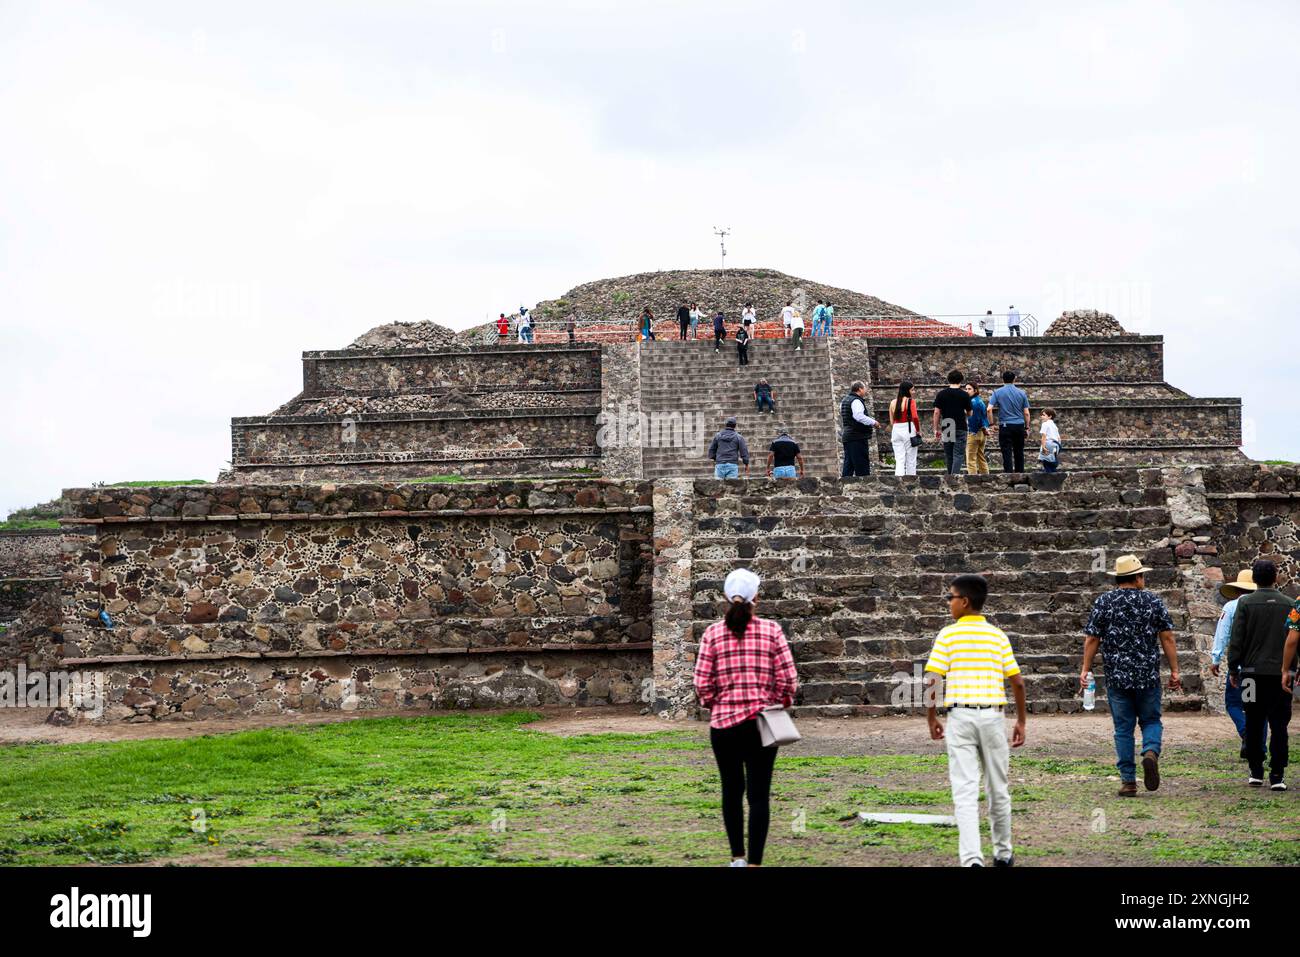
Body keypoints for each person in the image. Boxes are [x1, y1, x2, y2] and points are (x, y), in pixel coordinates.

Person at [693, 568, 798, 867]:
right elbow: (788, 679)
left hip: (724, 725)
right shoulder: (771, 630)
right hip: (761, 723)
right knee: (759, 795)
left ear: (726, 597)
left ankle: (737, 858)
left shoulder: (712, 633)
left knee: (731, 791)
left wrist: (715, 704)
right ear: (757, 598)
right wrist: (778, 702)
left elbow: (702, 682)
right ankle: (755, 863)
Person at [925, 574, 1027, 867]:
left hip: (960, 716)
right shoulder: (998, 636)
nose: (948, 603)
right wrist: (1021, 721)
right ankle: (1004, 853)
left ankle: (971, 860)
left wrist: (932, 717)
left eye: (950, 598)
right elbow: (1017, 682)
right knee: (998, 787)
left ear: (964, 602)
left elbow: (933, 679)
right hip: (993, 716)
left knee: (965, 789)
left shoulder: (948, 635)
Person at [1081, 555, 1181, 797]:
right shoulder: (1153, 601)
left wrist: (1085, 668)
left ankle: (1128, 781)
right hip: (1147, 675)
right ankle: (1150, 751)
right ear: (1136, 578)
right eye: (1142, 575)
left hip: (1117, 676)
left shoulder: (1104, 602)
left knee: (1123, 729)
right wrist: (1175, 670)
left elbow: (1093, 638)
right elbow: (1167, 637)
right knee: (1151, 721)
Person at [1228, 559, 1294, 790]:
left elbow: (1237, 639)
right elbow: (1294, 640)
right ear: (1276, 577)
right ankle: (1277, 774)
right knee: (1280, 725)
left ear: (1253, 579)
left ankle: (1256, 771)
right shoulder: (1290, 604)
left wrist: (1232, 667)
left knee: (1253, 721)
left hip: (1250, 674)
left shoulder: (1244, 603)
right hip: (1280, 675)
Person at [1210, 568, 1266, 760]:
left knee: (1234, 704)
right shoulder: (1268, 605)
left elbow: (1223, 634)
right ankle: (1259, 747)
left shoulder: (1232, 607)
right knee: (1259, 708)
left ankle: (1248, 735)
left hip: (1243, 668)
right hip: (1266, 667)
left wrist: (1215, 658)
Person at [988, 371, 1030, 473]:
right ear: (1014, 379)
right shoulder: (1022, 393)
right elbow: (1026, 413)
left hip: (1005, 426)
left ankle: (1008, 475)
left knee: (1006, 451)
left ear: (1003, 379)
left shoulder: (997, 392)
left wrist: (992, 424)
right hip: (1019, 425)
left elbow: (989, 409)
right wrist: (1027, 427)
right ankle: (1020, 475)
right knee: (1019, 451)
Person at [932, 370, 972, 475]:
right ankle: (954, 478)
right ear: (961, 380)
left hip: (947, 424)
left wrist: (936, 429)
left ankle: (950, 477)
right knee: (958, 454)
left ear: (948, 379)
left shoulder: (941, 394)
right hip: (960, 425)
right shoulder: (965, 395)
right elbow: (970, 413)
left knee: (949, 455)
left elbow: (936, 412)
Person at [840, 380, 876, 477]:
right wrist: (874, 422)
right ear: (860, 389)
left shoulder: (845, 400)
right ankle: (865, 487)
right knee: (861, 464)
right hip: (857, 436)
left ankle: (845, 485)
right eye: (865, 388)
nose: (866, 391)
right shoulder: (856, 400)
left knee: (849, 464)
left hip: (848, 436)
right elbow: (858, 416)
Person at [889, 381, 920, 476]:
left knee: (899, 458)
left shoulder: (893, 402)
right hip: (908, 429)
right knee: (911, 458)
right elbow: (915, 417)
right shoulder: (910, 401)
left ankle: (899, 479)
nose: (913, 392)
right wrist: (918, 430)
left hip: (896, 430)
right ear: (907, 390)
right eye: (912, 390)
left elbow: (891, 421)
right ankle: (911, 481)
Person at [965, 382, 990, 474]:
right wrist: (985, 428)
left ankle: (973, 482)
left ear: (975, 390)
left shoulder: (972, 403)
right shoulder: (980, 401)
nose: (967, 391)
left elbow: (975, 419)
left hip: (974, 432)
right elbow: (984, 417)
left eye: (969, 389)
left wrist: (979, 429)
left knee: (971, 459)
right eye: (966, 389)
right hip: (982, 433)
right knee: (981, 457)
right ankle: (987, 479)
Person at [1038, 408, 1061, 473]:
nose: (1041, 416)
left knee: (1045, 460)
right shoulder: (1054, 425)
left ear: (1050, 416)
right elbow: (1059, 438)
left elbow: (1044, 436)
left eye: (1043, 415)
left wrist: (1043, 446)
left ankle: (1048, 474)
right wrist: (1059, 447)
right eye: (1041, 415)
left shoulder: (1045, 424)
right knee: (1052, 459)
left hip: (1048, 443)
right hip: (1056, 444)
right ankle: (1053, 472)